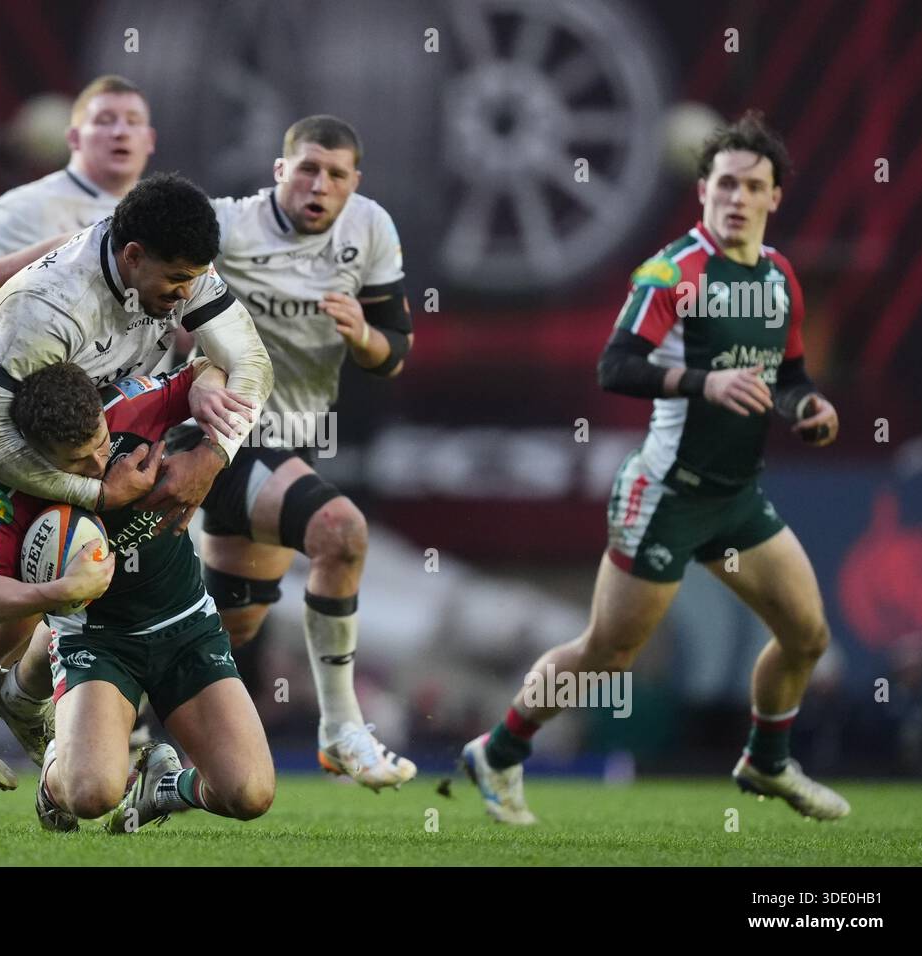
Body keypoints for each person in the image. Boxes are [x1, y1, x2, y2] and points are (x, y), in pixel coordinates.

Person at [461, 111, 848, 823]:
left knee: (808, 635)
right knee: (607, 653)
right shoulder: (674, 272)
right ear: (703, 190)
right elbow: (616, 366)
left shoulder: (780, 276)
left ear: (774, 199)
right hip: (665, 495)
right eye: (723, 183)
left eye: (750, 186)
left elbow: (787, 374)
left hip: (736, 500)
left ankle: (766, 762)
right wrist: (707, 383)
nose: (735, 197)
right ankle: (499, 751)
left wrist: (807, 406)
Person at [0, 173, 272, 792]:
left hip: (100, 447)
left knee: (97, 580)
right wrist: (98, 496)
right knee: (80, 582)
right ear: (132, 257)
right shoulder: (48, 307)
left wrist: (214, 455)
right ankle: (29, 712)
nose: (186, 297)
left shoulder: (173, 265)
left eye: (194, 281)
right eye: (176, 281)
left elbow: (250, 361)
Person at [194, 116, 418, 790]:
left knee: (231, 631)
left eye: (336, 174)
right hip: (216, 432)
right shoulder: (224, 226)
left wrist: (364, 339)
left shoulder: (370, 230)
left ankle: (153, 752)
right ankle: (342, 729)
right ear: (278, 171)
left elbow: (394, 351)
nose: (320, 185)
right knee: (341, 533)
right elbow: (119, 253)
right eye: (307, 169)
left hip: (290, 444)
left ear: (355, 183)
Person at [0, 359, 274, 832]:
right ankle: (51, 782)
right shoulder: (4, 488)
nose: (99, 463)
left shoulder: (131, 403)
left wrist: (209, 454)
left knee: (250, 794)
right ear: (35, 455)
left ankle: (161, 788)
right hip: (97, 641)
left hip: (186, 624)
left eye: (102, 444)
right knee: (93, 795)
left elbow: (214, 366)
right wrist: (60, 591)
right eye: (77, 460)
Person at [0, 74, 156, 346]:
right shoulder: (31, 205)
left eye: (133, 122)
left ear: (150, 139)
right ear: (74, 137)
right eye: (104, 121)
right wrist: (20, 356)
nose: (120, 132)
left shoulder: (167, 211)